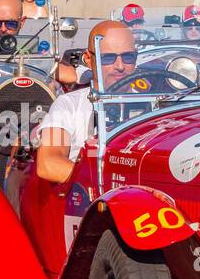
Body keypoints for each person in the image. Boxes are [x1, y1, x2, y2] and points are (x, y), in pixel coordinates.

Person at [36, 20, 138, 184]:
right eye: (108, 58)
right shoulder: (69, 105)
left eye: (128, 57)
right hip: (87, 200)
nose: (120, 66)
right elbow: (48, 163)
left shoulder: (155, 104)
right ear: (88, 59)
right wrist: (113, 182)